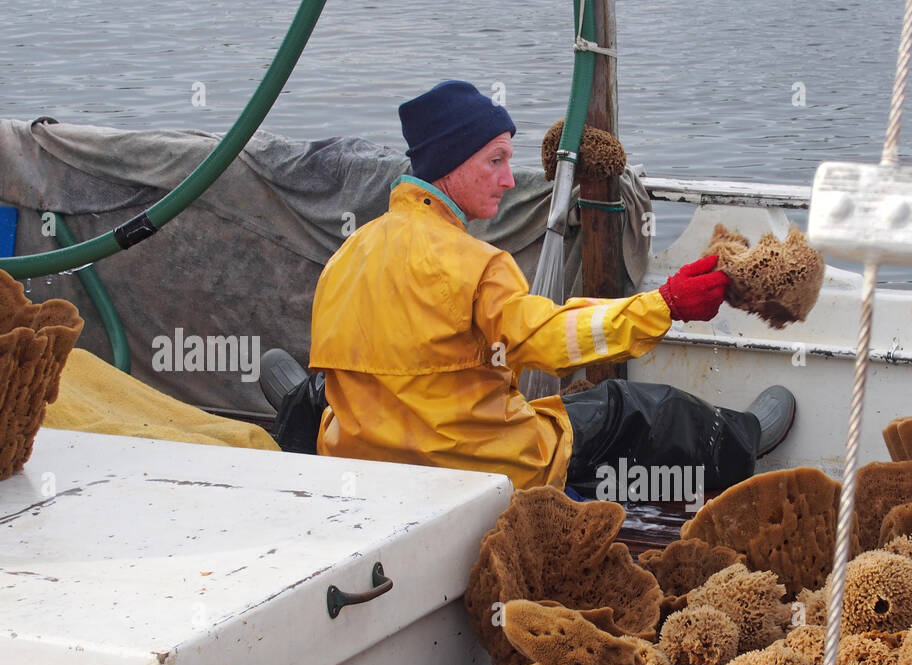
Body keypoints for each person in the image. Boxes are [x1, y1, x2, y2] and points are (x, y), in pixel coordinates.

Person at [265, 80, 794, 495]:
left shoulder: (345, 256)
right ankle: (746, 438)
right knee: (634, 410)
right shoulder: (477, 264)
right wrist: (664, 305)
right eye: (495, 160)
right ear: (451, 166)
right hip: (477, 462)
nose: (510, 179)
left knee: (319, 392)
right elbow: (549, 341)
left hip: (363, 457)